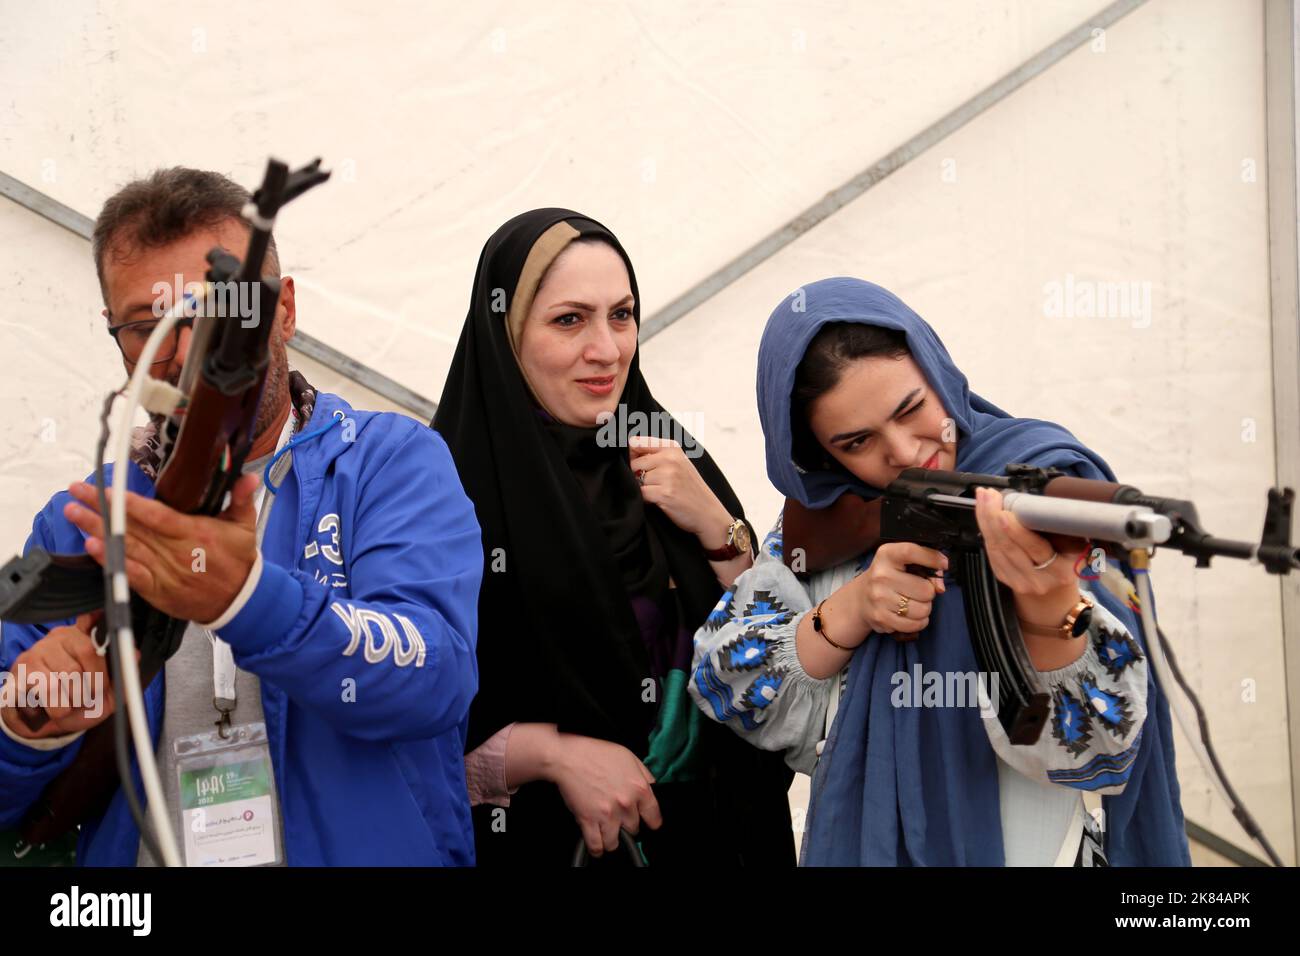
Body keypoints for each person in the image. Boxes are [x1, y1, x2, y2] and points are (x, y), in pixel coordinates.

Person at [0, 167, 483, 866]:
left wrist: (249, 601)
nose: (182, 351)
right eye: (146, 327)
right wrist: (26, 725)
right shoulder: (85, 517)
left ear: (283, 310)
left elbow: (434, 682)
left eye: (212, 314)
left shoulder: (391, 463)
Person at [690, 277, 1189, 866]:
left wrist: (1051, 608)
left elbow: (1097, 752)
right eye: (856, 442)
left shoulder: (1047, 488)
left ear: (936, 368)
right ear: (821, 455)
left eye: (911, 408)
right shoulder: (831, 519)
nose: (903, 450)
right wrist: (850, 610)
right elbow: (728, 686)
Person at [433, 208, 795, 865]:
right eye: (569, 319)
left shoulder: (673, 457)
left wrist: (720, 531)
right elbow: (407, 745)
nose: (607, 349)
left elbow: (788, 670)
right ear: (506, 333)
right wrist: (554, 756)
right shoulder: (442, 493)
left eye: (621, 314)